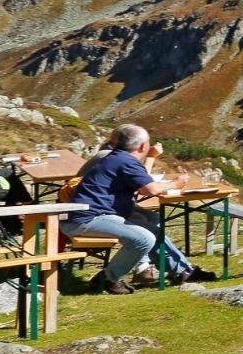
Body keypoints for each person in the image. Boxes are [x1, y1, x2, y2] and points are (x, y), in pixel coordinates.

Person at [80, 136, 215, 285]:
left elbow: (141, 179)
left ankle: (164, 269)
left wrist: (150, 159)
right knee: (147, 229)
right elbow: (145, 186)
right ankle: (172, 270)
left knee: (151, 218)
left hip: (102, 208)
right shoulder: (112, 158)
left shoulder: (112, 156)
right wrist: (172, 180)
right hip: (96, 213)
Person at [62, 125, 169, 294]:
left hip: (88, 215)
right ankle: (108, 278)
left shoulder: (116, 157)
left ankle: (155, 268)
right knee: (144, 238)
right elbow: (151, 190)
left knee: (148, 221)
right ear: (143, 146)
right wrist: (177, 184)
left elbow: (143, 183)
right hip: (87, 220)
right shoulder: (125, 161)